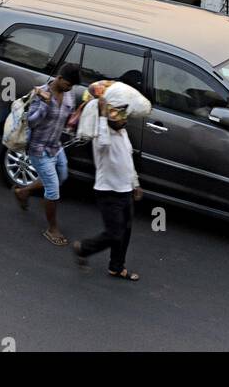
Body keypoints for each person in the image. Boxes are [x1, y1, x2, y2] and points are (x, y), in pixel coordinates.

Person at [73, 94, 143, 281]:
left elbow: (128, 159)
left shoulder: (123, 133)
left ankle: (117, 267)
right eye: (118, 116)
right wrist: (103, 114)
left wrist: (135, 183)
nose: (123, 120)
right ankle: (83, 248)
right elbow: (104, 143)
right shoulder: (100, 136)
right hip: (108, 192)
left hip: (125, 190)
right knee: (114, 233)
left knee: (125, 231)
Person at [14, 63, 81, 245]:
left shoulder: (69, 95)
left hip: (55, 146)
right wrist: (45, 103)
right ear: (60, 78)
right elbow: (31, 122)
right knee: (53, 189)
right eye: (68, 84)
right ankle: (52, 229)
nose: (69, 89)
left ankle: (23, 191)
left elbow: (68, 118)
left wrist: (82, 112)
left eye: (72, 86)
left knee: (62, 175)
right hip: (39, 148)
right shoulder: (41, 93)